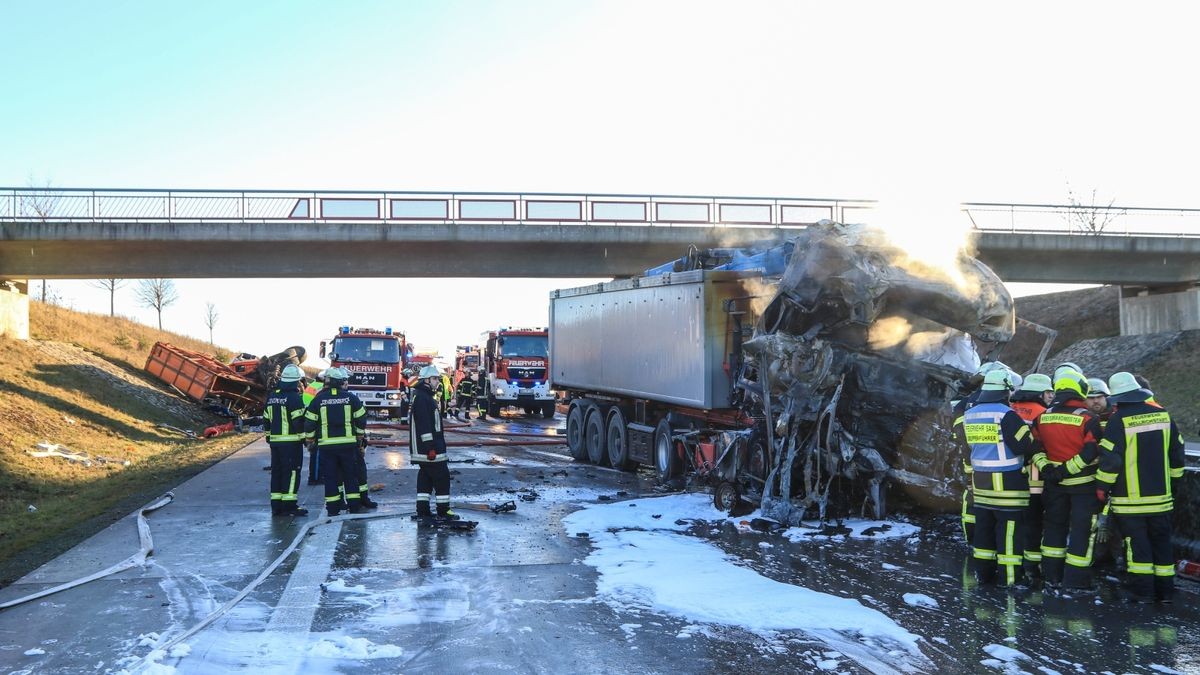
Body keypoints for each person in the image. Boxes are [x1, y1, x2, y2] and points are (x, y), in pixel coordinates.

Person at [1096, 371, 1186, 603]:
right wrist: (1173, 482)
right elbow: (1177, 453)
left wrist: (1102, 487)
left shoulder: (1118, 420)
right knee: (1162, 543)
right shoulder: (1163, 414)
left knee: (1138, 547)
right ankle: (1165, 590)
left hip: (1130, 501)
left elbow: (1111, 460)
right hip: (1161, 498)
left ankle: (1142, 591)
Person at [958, 368, 1034, 586]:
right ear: (1006, 391)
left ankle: (984, 576)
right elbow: (1024, 445)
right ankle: (1011, 580)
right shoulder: (1006, 414)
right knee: (1009, 531)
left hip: (981, 482)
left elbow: (968, 447)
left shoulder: (970, 414)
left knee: (984, 531)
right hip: (1007, 482)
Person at [1032, 369, 1104, 592]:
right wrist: (1067, 470)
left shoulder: (1041, 417)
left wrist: (1048, 469)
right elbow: (1091, 451)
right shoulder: (1089, 419)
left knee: (1053, 530)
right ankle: (1076, 582)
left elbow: (1034, 448)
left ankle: (1051, 577)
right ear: (1080, 389)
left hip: (1053, 486)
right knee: (1082, 532)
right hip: (1084, 487)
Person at [954, 361, 1012, 544]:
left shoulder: (965, 404)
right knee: (993, 503)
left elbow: (959, 433)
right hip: (997, 461)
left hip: (971, 458)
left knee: (971, 497)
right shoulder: (998, 403)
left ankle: (971, 539)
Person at [304, 367, 369, 516]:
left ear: (327, 381)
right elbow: (361, 418)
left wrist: (310, 440)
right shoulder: (351, 398)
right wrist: (359, 437)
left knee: (331, 477)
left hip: (327, 447)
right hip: (348, 446)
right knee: (350, 476)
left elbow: (309, 422)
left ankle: (333, 508)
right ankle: (354, 506)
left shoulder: (318, 399)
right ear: (341, 382)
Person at [1010, 373, 1052, 578]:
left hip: (1010, 476)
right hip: (1036, 479)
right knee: (1034, 524)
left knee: (1015, 523)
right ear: (1041, 393)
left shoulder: (1011, 410)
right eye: (1049, 392)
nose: (1051, 396)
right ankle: (1032, 568)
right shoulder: (1043, 413)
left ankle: (1016, 561)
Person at [409, 365, 457, 520]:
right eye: (435, 378)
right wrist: (430, 447)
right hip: (430, 449)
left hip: (427, 448)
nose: (438, 381)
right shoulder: (423, 397)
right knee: (442, 477)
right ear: (427, 380)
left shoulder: (425, 396)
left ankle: (422, 509)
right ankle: (443, 510)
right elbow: (424, 425)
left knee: (426, 477)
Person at [264, 364, 309, 517]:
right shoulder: (294, 398)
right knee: (291, 473)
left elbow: (266, 419)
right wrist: (305, 439)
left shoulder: (272, 397)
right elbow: (298, 422)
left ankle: (276, 506)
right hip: (291, 443)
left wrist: (269, 437)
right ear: (295, 381)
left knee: (277, 473)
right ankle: (289, 506)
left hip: (275, 443)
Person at [301, 369, 326, 485]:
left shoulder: (312, 386)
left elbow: (306, 401)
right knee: (316, 452)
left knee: (315, 451)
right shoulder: (321, 388)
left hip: (309, 416)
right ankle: (315, 478)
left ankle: (316, 476)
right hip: (316, 419)